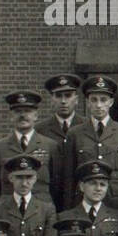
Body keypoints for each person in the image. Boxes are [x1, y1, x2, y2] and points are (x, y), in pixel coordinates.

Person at [64, 74, 118, 211]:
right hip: (84, 201)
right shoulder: (75, 133)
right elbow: (69, 177)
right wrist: (69, 208)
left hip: (117, 201)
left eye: (103, 100)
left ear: (111, 102)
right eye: (94, 100)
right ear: (87, 102)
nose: (99, 105)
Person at [0, 90, 58, 206]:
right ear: (11, 116)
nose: (23, 116)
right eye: (18, 111)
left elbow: (57, 184)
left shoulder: (50, 146)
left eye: (28, 111)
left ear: (36, 115)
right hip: (9, 209)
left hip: (41, 209)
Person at [37, 73, 83, 208]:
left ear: (77, 99)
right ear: (51, 99)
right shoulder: (40, 130)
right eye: (58, 96)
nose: (63, 101)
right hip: (49, 199)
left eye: (68, 96)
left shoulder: (87, 127)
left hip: (79, 198)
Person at [71, 160, 118, 236]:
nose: (98, 188)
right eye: (93, 184)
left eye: (102, 184)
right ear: (81, 186)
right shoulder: (67, 217)